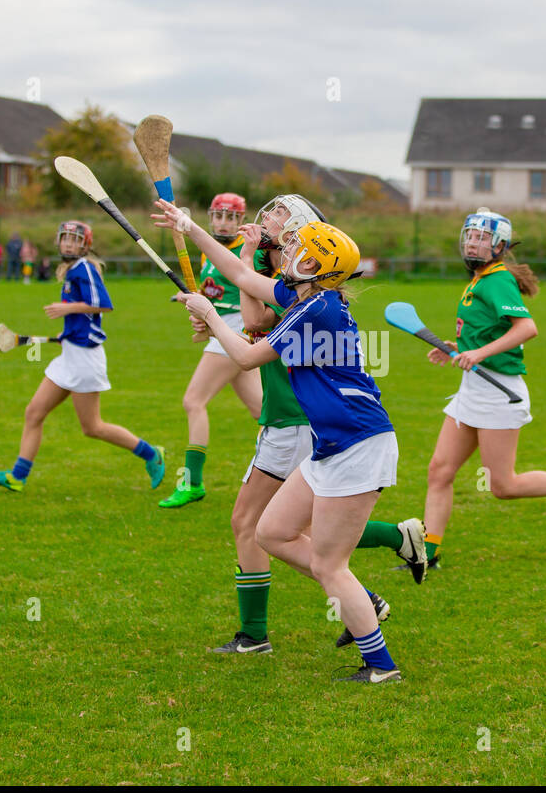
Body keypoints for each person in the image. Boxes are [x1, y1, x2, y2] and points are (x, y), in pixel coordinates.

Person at [156, 197, 419, 684]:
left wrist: (211, 317)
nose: (291, 246)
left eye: (300, 245)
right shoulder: (307, 296)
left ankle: (380, 665)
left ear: (317, 265)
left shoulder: (314, 309)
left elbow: (247, 356)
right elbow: (240, 274)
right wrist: (189, 227)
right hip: (331, 445)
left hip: (359, 445)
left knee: (328, 561)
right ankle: (357, 597)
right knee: (270, 532)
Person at [392, 208, 546, 576]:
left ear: (500, 246)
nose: (472, 243)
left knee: (504, 485)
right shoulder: (480, 279)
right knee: (440, 470)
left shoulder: (496, 280)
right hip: (474, 389)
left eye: (481, 238)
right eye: (469, 236)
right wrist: (457, 345)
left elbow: (527, 328)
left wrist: (478, 353)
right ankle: (428, 554)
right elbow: (487, 329)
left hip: (500, 393)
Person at [0, 220, 165, 493]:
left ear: (85, 244)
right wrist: (69, 330)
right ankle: (17, 476)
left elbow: (103, 305)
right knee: (34, 413)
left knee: (92, 427)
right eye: (65, 238)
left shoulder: (85, 269)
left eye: (74, 239)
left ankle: (151, 454)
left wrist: (66, 311)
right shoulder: (72, 271)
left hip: (84, 360)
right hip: (71, 354)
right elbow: (86, 318)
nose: (68, 243)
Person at [158, 193, 263, 509]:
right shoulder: (208, 254)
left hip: (235, 331)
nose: (223, 222)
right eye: (218, 215)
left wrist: (213, 317)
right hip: (224, 327)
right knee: (264, 411)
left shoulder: (245, 252)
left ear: (241, 220)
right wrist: (196, 306)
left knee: (194, 400)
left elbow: (250, 288)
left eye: (230, 217)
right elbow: (214, 295)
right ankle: (302, 459)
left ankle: (192, 482)